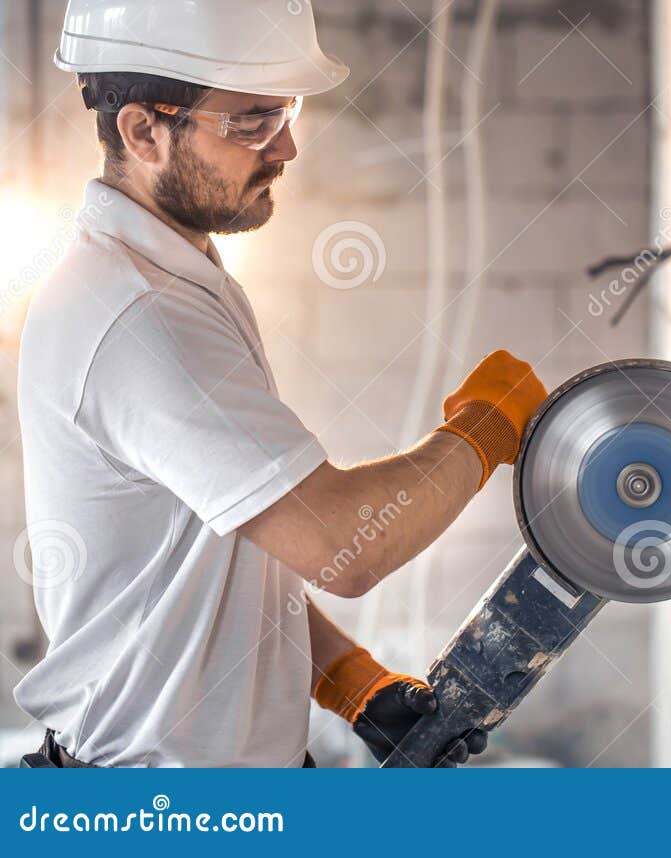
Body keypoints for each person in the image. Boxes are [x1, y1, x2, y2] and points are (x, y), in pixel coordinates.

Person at [13, 0, 546, 767]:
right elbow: (340, 545)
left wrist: (347, 679)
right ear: (141, 132)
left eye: (286, 112)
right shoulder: (140, 317)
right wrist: (484, 431)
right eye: (252, 122)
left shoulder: (172, 273)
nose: (287, 146)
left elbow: (227, 556)